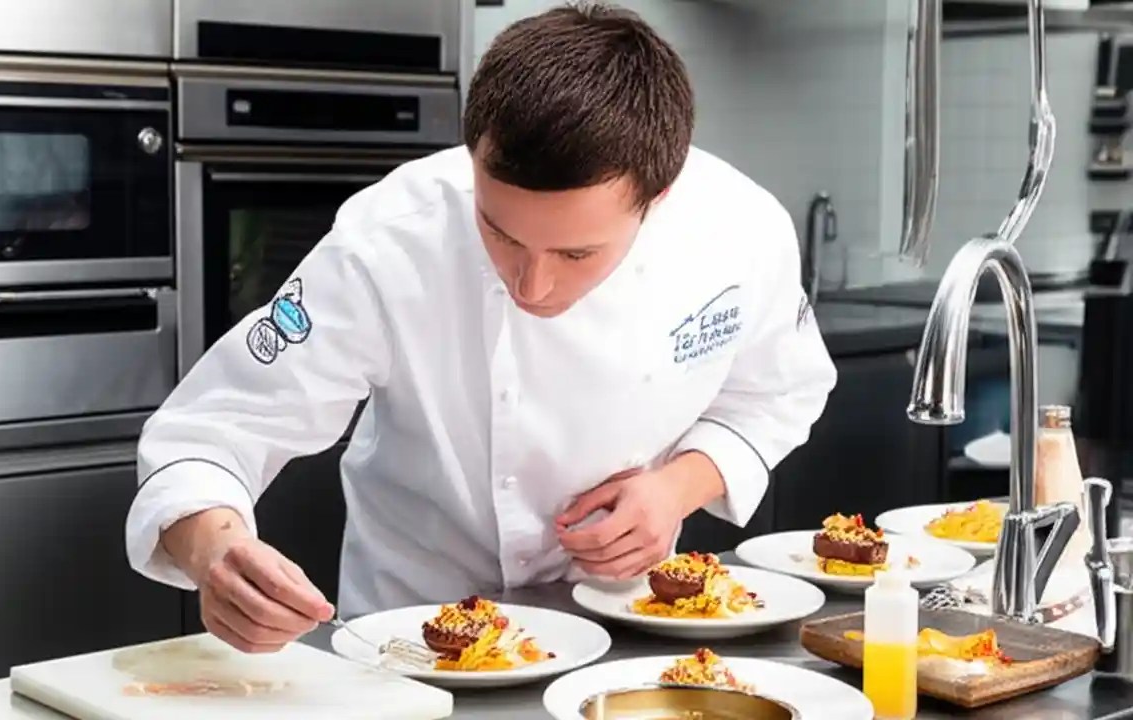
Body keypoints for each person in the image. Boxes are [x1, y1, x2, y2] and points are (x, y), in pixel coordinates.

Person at [125, 1, 837, 655]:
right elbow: (215, 427)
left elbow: (777, 393)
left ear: (661, 194)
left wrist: (677, 487)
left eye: (576, 253)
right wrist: (214, 550)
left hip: (626, 634)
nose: (533, 285)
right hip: (407, 643)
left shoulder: (740, 232)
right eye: (498, 233)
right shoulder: (390, 240)